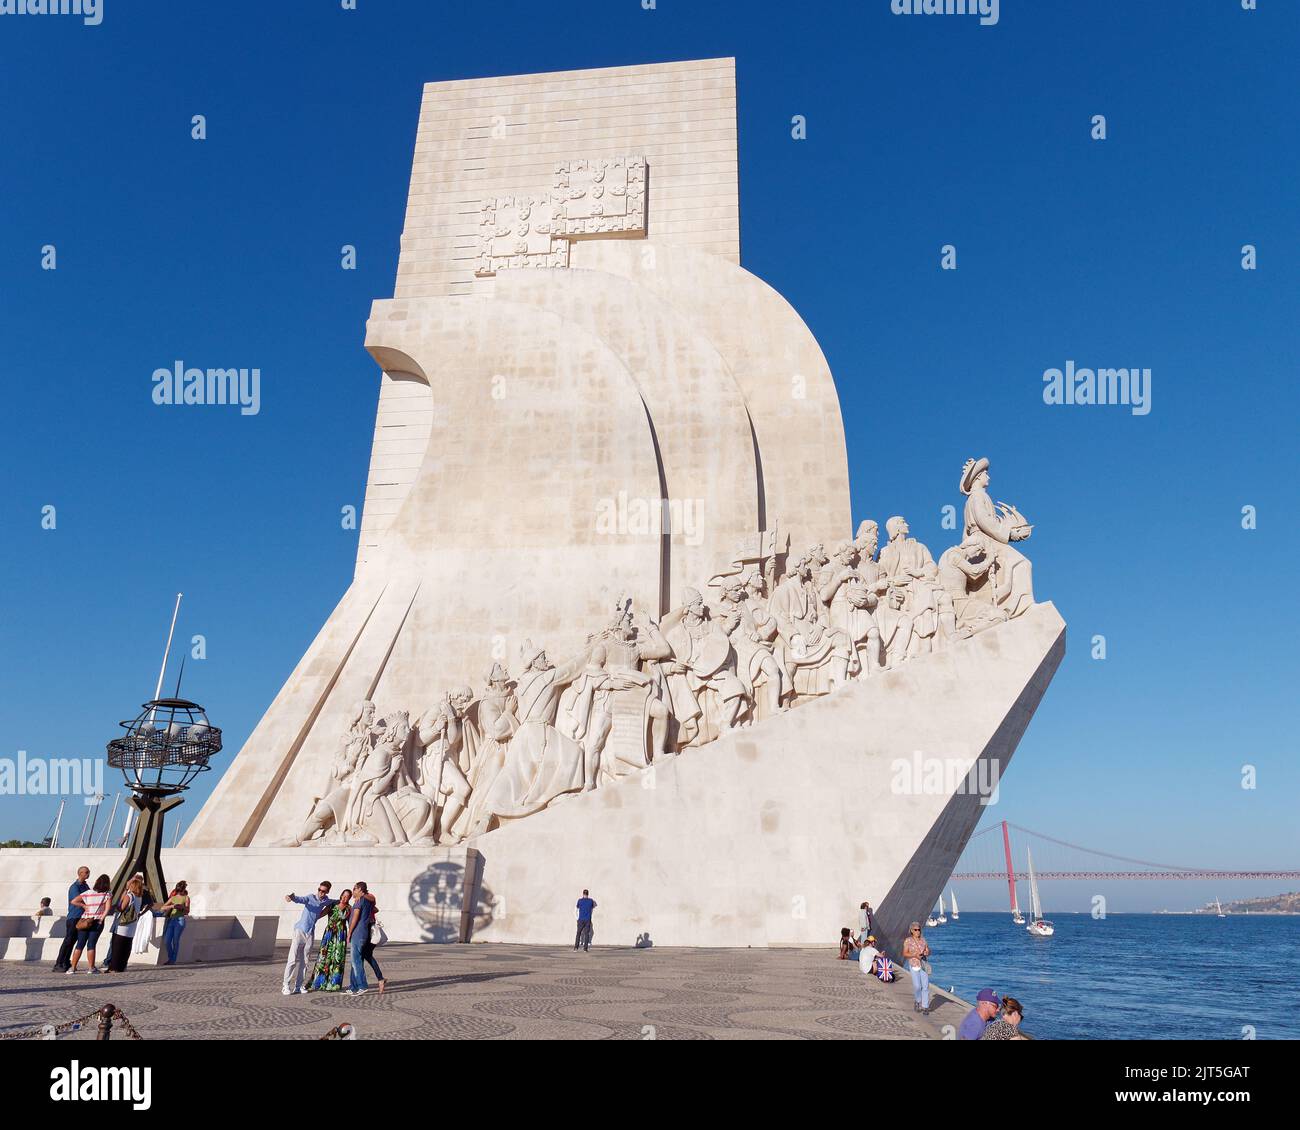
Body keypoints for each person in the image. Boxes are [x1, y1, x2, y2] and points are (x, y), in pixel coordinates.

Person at [283, 881, 337, 995]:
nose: (320, 892)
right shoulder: (310, 897)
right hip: (300, 931)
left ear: (327, 891)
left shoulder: (326, 901)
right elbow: (299, 899)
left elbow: (337, 901)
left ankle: (298, 986)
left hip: (310, 933)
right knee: (292, 959)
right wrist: (291, 897)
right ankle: (286, 986)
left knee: (305, 961)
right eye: (319, 890)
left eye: (323, 891)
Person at [309, 888, 353, 993]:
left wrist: (349, 935)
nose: (344, 897)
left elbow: (351, 923)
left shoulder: (349, 908)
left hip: (341, 935)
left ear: (349, 898)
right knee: (324, 957)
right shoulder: (332, 905)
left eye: (347, 896)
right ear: (341, 895)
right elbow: (319, 915)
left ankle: (334, 984)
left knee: (337, 960)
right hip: (329, 934)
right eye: (343, 895)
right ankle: (319, 983)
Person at [67, 874, 111, 975]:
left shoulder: (88, 892)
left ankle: (72, 968)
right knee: (91, 945)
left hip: (85, 920)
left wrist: (83, 905)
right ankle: (91, 968)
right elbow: (107, 909)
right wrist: (101, 918)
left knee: (79, 944)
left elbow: (73, 901)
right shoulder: (107, 894)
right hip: (96, 921)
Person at [53, 866, 90, 972]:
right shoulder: (75, 887)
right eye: (86, 872)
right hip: (74, 917)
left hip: (81, 917)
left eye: (88, 872)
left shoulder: (85, 886)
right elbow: (77, 900)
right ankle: (59, 963)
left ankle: (66, 961)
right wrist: (85, 905)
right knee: (68, 941)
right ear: (80, 873)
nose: (88, 874)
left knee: (73, 941)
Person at [105, 876, 145, 973]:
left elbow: (121, 907)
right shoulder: (139, 897)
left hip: (122, 925)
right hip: (132, 925)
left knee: (117, 946)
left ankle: (114, 967)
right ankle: (122, 966)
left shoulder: (129, 896)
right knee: (127, 946)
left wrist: (115, 907)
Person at [346, 881, 377, 995]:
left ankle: (362, 986)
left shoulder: (360, 901)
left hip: (357, 934)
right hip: (363, 934)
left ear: (359, 889)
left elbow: (355, 918)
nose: (353, 891)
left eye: (354, 889)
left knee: (356, 962)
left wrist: (349, 933)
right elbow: (375, 907)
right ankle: (353, 987)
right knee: (355, 961)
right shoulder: (368, 900)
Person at [902, 921, 931, 1014]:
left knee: (925, 986)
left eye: (919, 929)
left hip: (923, 964)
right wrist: (915, 955)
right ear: (911, 930)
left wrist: (927, 952)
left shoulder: (923, 940)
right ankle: (918, 1001)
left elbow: (928, 950)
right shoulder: (908, 941)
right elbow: (904, 953)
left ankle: (925, 1006)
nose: (918, 931)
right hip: (914, 965)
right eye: (916, 930)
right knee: (917, 986)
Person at [158, 881, 191, 965]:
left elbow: (187, 911)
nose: (179, 892)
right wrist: (172, 906)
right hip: (172, 919)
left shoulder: (186, 898)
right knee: (167, 941)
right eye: (178, 890)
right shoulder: (173, 898)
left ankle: (172, 960)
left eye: (181, 891)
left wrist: (182, 907)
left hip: (180, 919)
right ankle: (171, 957)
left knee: (175, 941)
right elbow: (162, 908)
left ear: (184, 890)